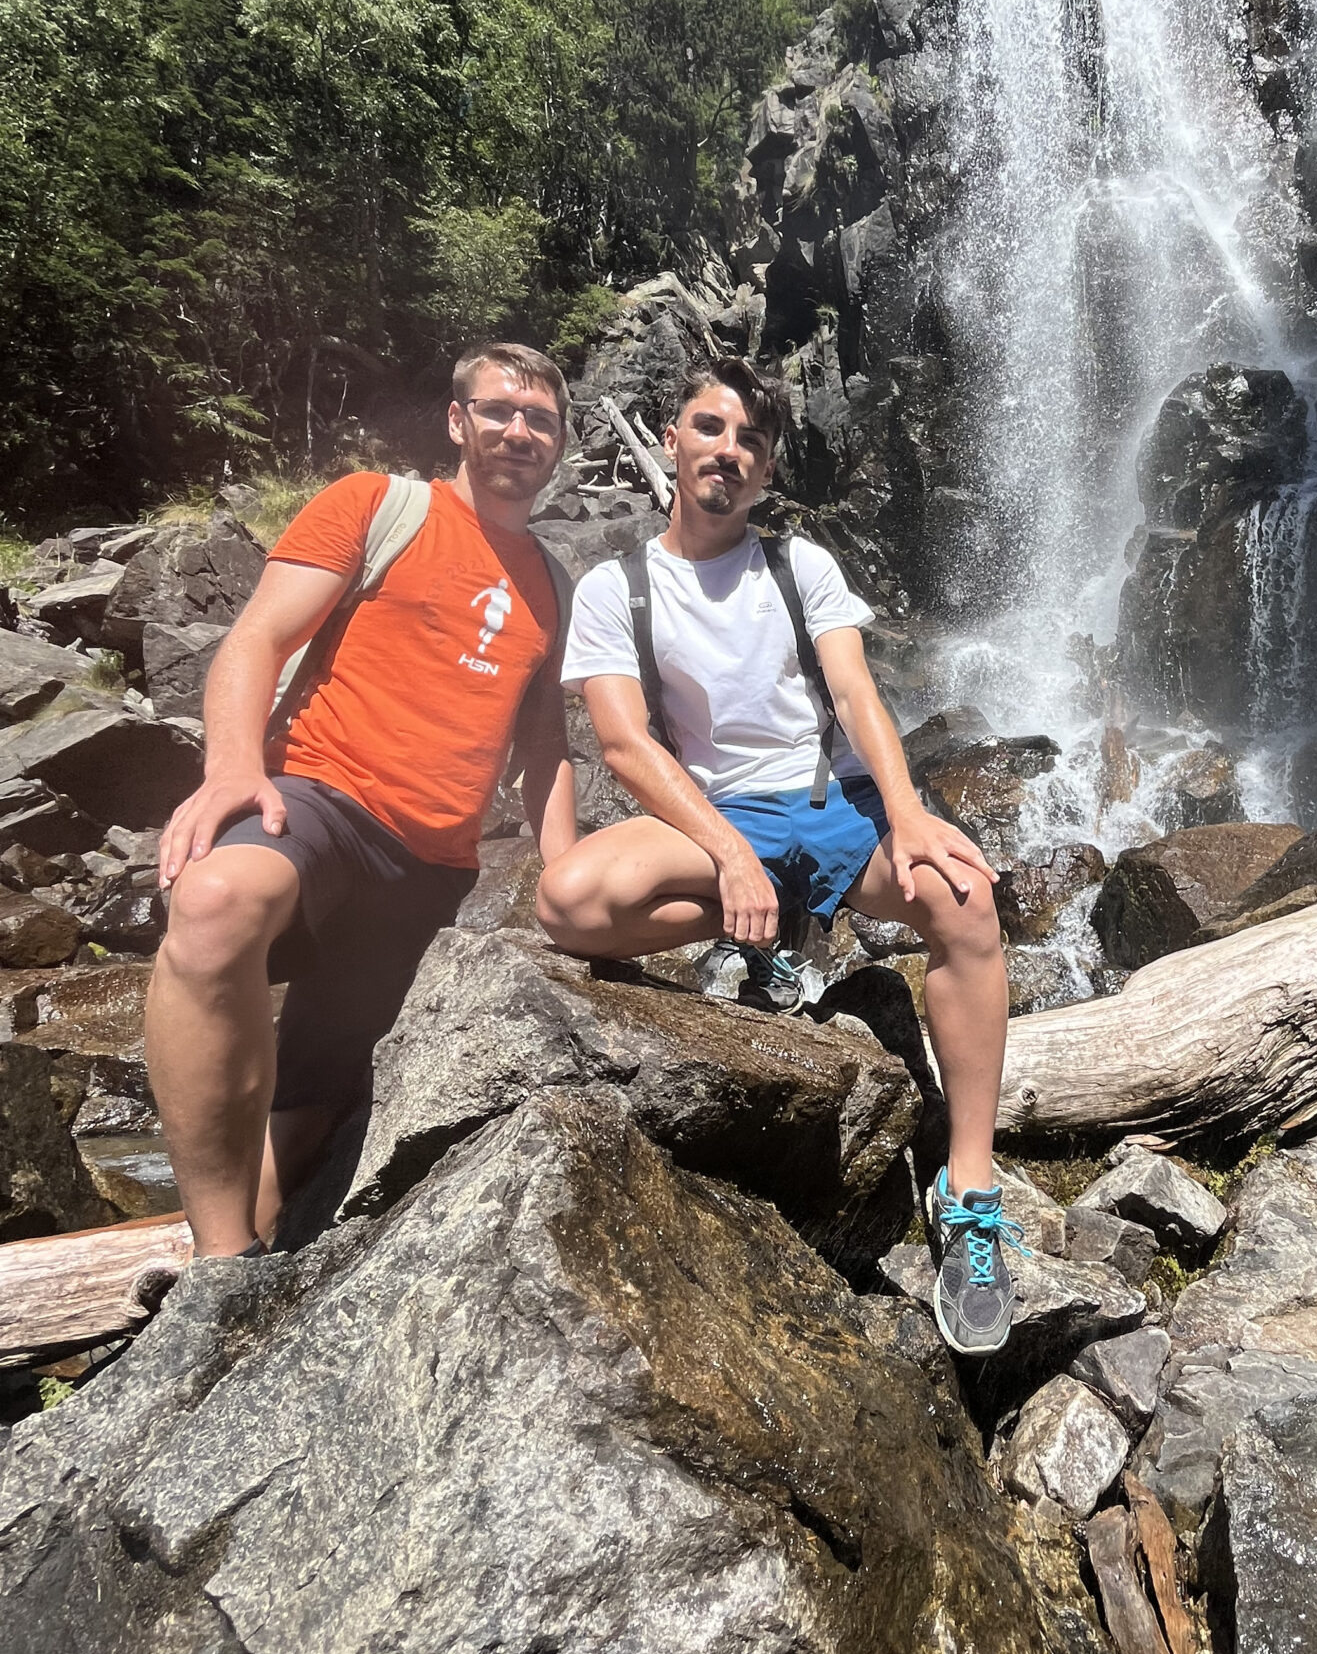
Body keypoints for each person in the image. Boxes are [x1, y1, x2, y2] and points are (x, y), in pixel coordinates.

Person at [536, 357, 1020, 1355]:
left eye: (751, 438)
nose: (730, 448)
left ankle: (969, 1190)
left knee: (966, 900)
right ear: (671, 440)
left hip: (827, 799)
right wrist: (729, 858)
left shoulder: (802, 568)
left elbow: (855, 695)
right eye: (710, 427)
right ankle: (771, 919)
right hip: (714, 811)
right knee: (570, 900)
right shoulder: (614, 589)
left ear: (764, 468)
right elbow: (625, 744)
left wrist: (911, 817)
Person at [147, 345, 577, 1259]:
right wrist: (230, 767)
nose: (518, 431)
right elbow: (257, 637)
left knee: (319, 1092)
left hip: (431, 871)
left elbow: (544, 750)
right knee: (215, 905)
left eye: (540, 419)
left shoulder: (553, 582)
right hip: (322, 802)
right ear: (457, 420)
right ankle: (220, 1266)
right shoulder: (379, 505)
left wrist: (565, 877)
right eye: (499, 410)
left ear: (560, 443)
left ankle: (232, 1244)